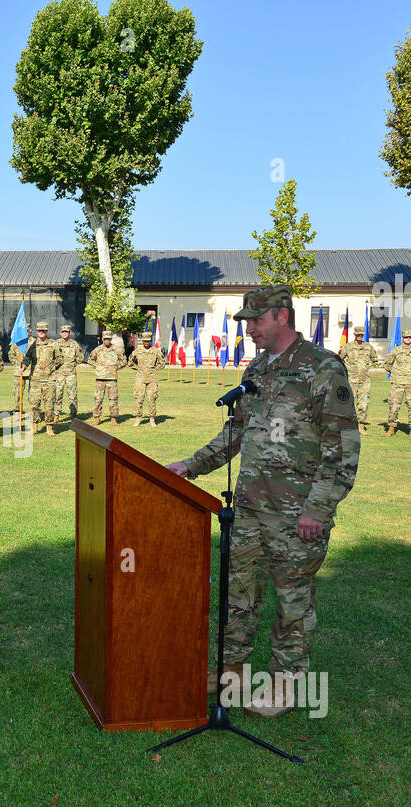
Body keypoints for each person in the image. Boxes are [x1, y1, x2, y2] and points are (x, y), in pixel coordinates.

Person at [165, 286, 359, 718]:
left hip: (296, 515)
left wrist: (318, 509)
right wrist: (191, 466)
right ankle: (230, 674)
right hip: (250, 508)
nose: (248, 329)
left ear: (282, 317)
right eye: (246, 322)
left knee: (292, 601)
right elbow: (236, 431)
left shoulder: (322, 368)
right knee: (238, 595)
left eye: (255, 320)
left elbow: (342, 449)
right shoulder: (258, 367)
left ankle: (285, 687)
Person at [337, 326, 380, 435]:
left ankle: (361, 426)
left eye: (361, 335)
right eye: (358, 335)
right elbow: (339, 360)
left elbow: (375, 361)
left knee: (363, 404)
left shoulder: (369, 347)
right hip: (351, 381)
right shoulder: (347, 347)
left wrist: (367, 367)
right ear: (354, 335)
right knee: (347, 403)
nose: (359, 336)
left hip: (364, 381)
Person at [383, 330, 411, 436]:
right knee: (394, 405)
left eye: (409, 338)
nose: (408, 339)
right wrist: (396, 374)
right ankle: (391, 428)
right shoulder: (396, 351)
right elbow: (387, 364)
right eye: (406, 337)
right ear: (402, 338)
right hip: (397, 383)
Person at [28, 321, 61, 435]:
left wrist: (50, 369)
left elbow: (59, 359)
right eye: (39, 330)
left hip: (49, 380)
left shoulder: (53, 344)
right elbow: (28, 359)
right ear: (37, 331)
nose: (41, 332)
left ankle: (49, 427)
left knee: (49, 404)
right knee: (34, 404)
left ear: (47, 331)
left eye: (43, 330)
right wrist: (23, 366)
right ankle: (34, 426)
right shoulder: (32, 344)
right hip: (35, 380)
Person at [127, 329, 166, 426]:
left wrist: (153, 370)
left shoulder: (156, 351)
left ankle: (152, 419)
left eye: (148, 341)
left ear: (150, 341)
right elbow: (130, 362)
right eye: (144, 341)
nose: (146, 343)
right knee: (139, 399)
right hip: (140, 379)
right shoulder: (138, 351)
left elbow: (162, 363)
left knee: (151, 399)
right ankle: (138, 418)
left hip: (152, 379)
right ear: (142, 341)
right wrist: (139, 369)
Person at [87, 332, 124, 425]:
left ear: (111, 339)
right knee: (98, 398)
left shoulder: (116, 349)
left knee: (113, 399)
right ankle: (97, 417)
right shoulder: (98, 350)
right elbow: (90, 360)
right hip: (100, 378)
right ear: (103, 339)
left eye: (108, 339)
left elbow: (124, 361)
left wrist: (115, 368)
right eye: (105, 339)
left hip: (112, 378)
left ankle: (113, 417)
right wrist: (98, 367)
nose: (107, 341)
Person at [52, 324, 83, 423]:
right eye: (63, 332)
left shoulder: (74, 344)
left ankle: (73, 415)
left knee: (72, 395)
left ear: (69, 333)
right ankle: (56, 415)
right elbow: (51, 357)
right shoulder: (55, 344)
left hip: (71, 374)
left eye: (67, 332)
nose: (65, 333)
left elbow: (80, 357)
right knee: (57, 394)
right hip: (59, 374)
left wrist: (73, 364)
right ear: (61, 333)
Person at [8, 337, 33, 425]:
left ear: (30, 331)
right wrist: (18, 365)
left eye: (28, 330)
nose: (26, 332)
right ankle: (17, 412)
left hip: (31, 371)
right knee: (17, 393)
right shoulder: (16, 342)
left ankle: (32, 412)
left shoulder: (34, 342)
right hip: (19, 372)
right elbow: (11, 355)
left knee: (33, 394)